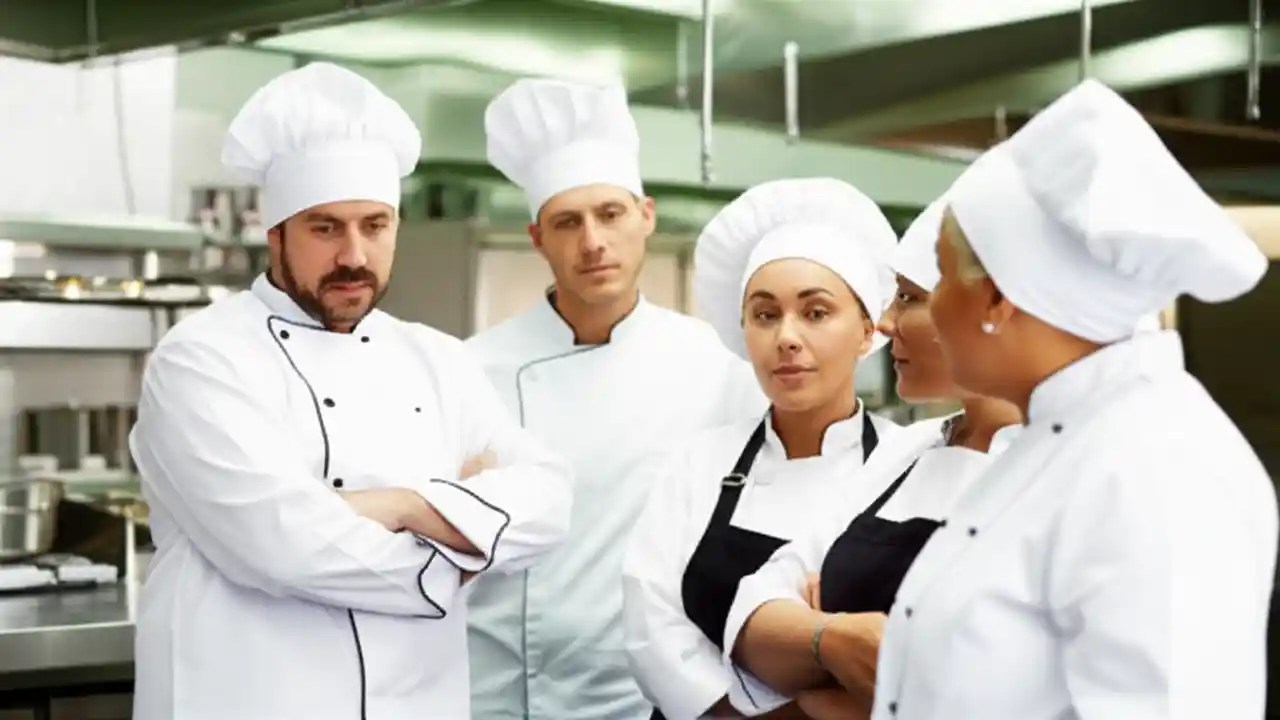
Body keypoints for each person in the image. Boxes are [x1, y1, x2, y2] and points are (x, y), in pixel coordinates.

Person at [128, 63, 572, 720]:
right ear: (274, 232)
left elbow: (549, 499)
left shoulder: (436, 358)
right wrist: (466, 547)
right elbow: (285, 545)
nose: (355, 256)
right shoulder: (201, 361)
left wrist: (406, 506)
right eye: (325, 228)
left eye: (375, 224)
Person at [874, 79, 1278, 719]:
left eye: (942, 278)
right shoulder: (1055, 443)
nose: (896, 321)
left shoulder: (1158, 466)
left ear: (999, 299)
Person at [466, 78, 765, 720]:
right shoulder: (469, 369)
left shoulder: (715, 367)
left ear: (646, 216)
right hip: (486, 695)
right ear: (538, 237)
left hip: (639, 700)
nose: (593, 242)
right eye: (566, 223)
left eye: (610, 214)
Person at [719, 197, 1023, 719]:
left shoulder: (1049, 469)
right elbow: (750, 619)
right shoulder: (907, 450)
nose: (885, 323)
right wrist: (834, 640)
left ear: (992, 307)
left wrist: (816, 678)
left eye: (908, 297)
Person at [622, 177, 903, 720]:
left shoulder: (904, 467)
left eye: (816, 312)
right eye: (766, 314)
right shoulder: (700, 463)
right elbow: (650, 622)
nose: (787, 337)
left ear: (867, 331)